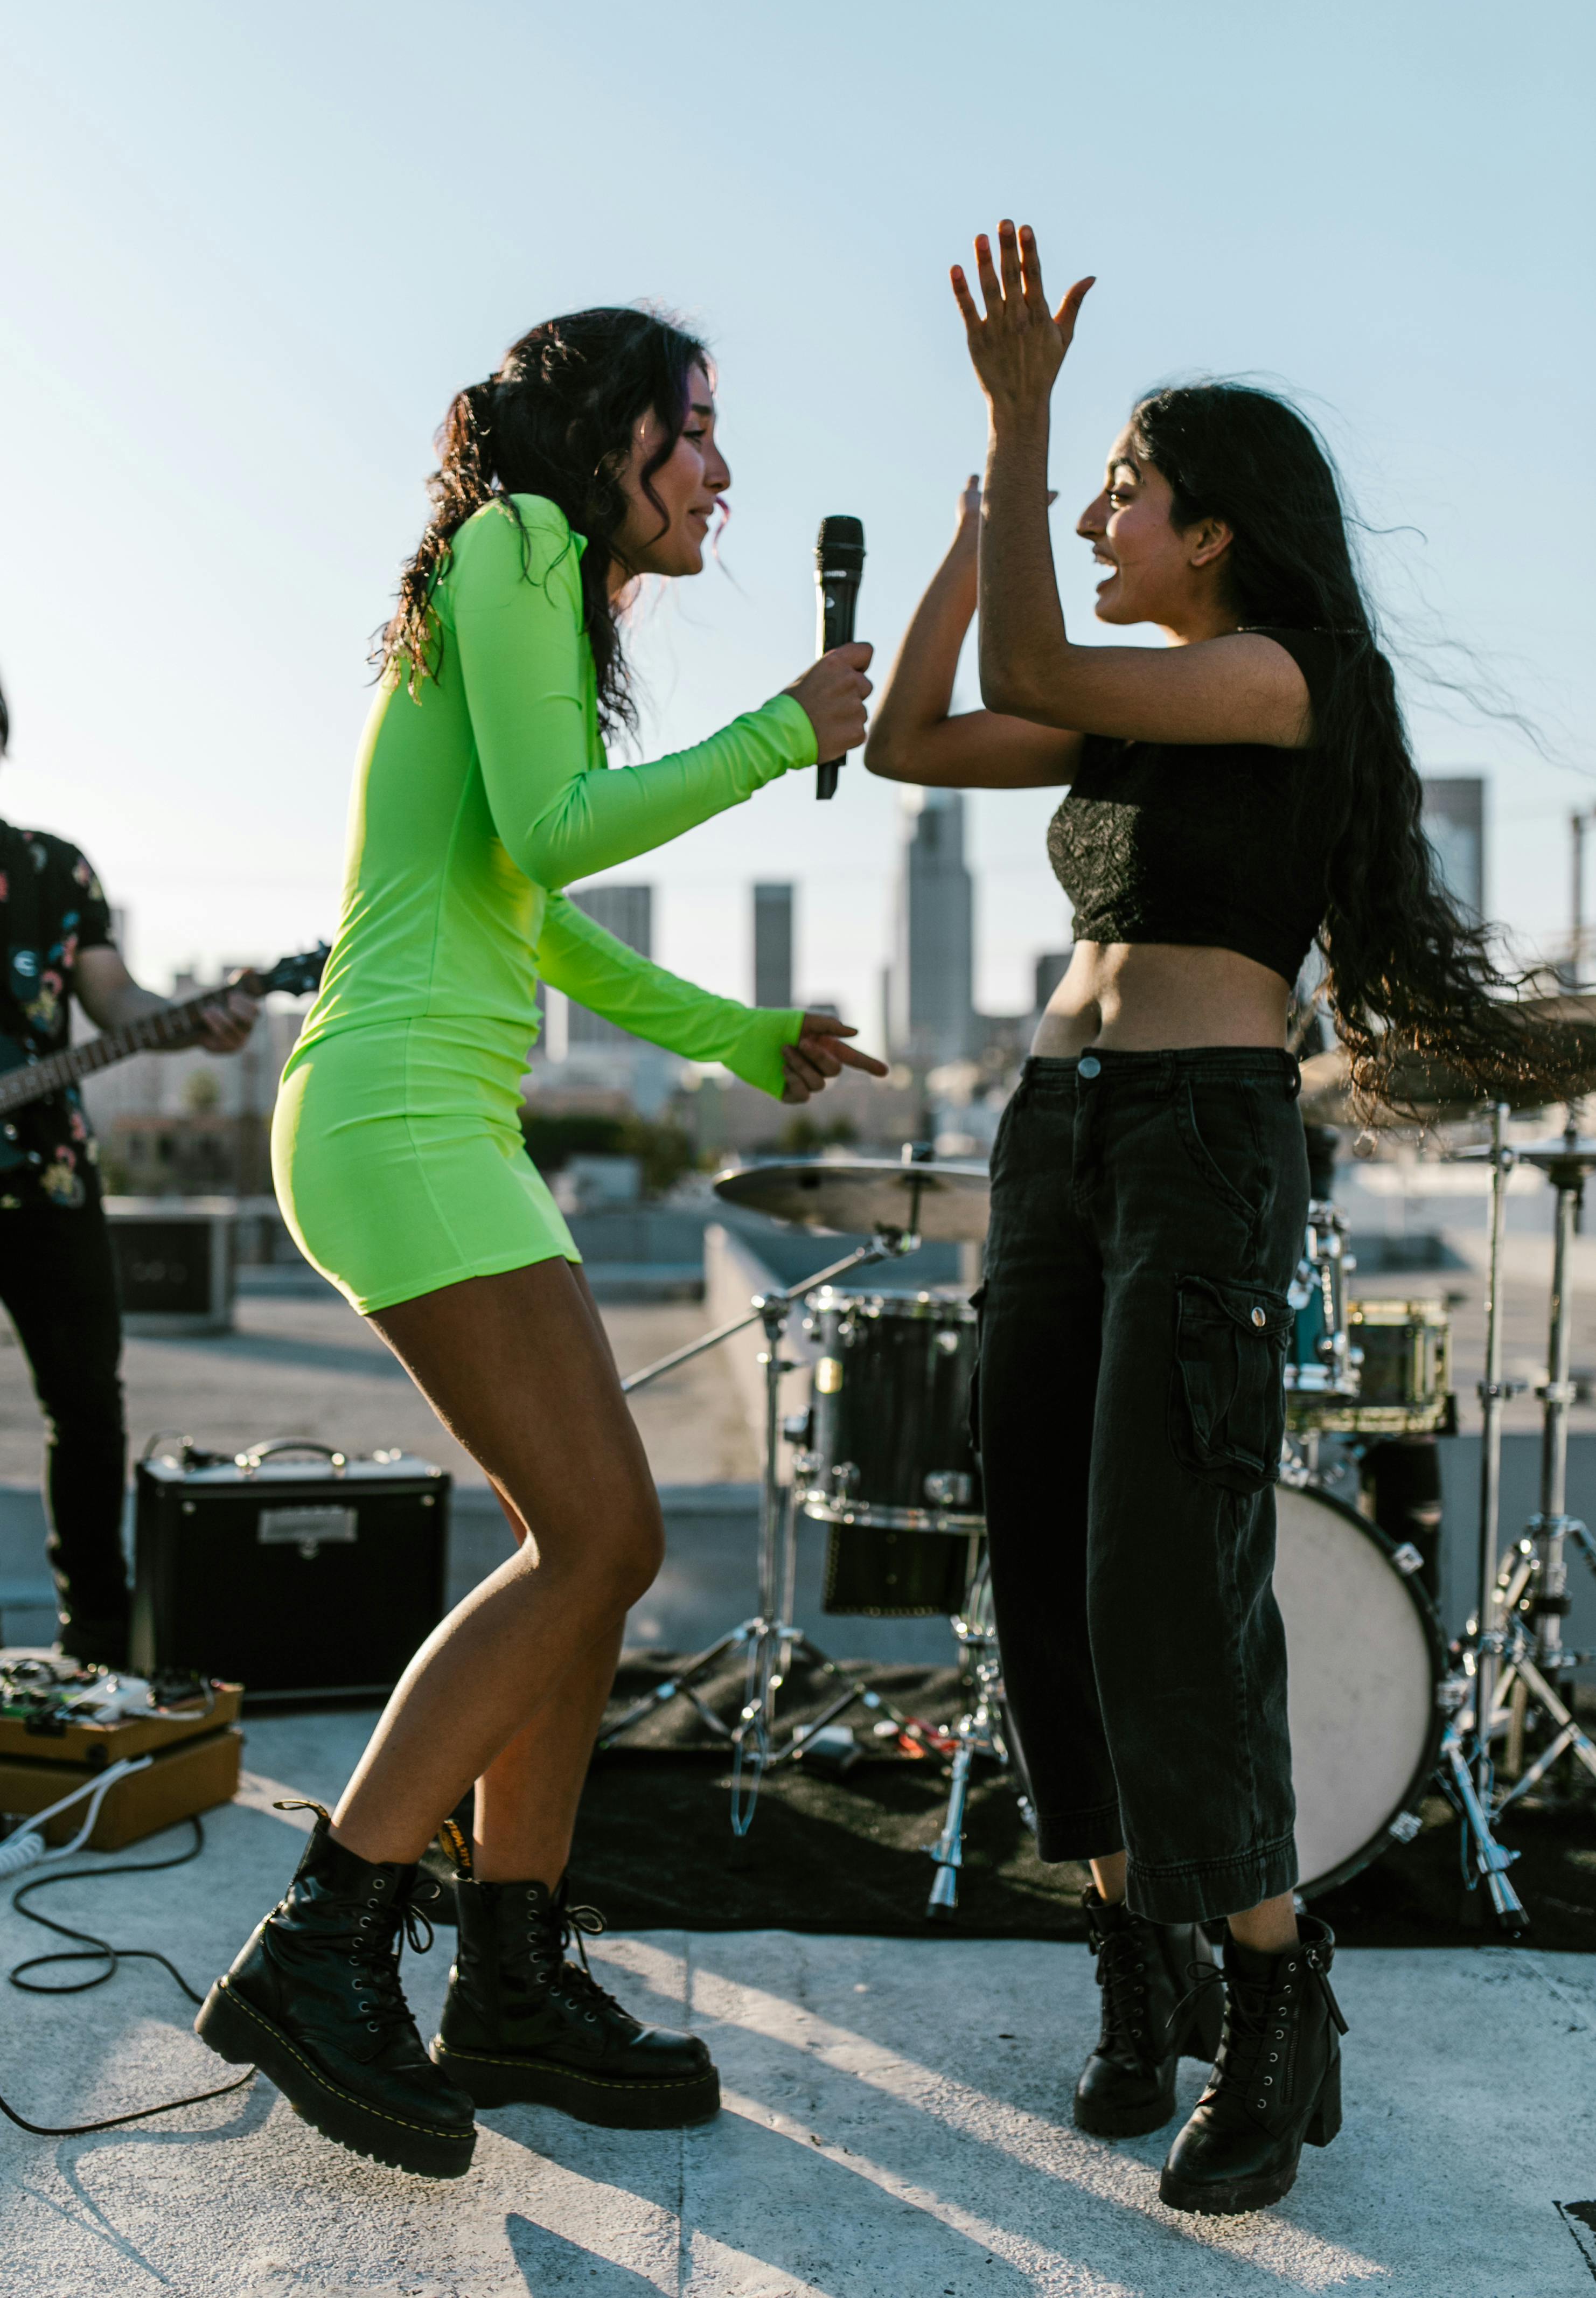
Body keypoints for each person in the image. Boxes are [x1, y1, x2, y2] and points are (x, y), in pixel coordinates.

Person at [866, 221, 1563, 2217]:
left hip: (1196, 1139)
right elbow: (916, 728)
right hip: (1054, 1132)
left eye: (1119, 492)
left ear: (1219, 530)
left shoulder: (1271, 676)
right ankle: (1131, 1961)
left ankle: (1272, 1991)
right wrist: (990, 494)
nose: (1094, 513)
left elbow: (1014, 664)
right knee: (1039, 1559)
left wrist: (1016, 412)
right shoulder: (1137, 696)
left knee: (1163, 1565)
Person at [197, 306, 885, 2179]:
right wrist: (778, 733)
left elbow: (539, 908)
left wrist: (741, 1040)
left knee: (575, 1552)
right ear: (609, 438)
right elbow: (557, 830)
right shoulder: (517, 542)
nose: (724, 475)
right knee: (607, 1537)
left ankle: (510, 1963)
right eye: (700, 431)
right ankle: (323, 1939)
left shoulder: (543, 592)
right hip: (396, 1110)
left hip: (445, 1114)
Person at [0, 679, 256, 1665]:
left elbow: (114, 999)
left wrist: (194, 1019)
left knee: (86, 1407)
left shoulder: (52, 872)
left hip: (48, 1177)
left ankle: (97, 1641)